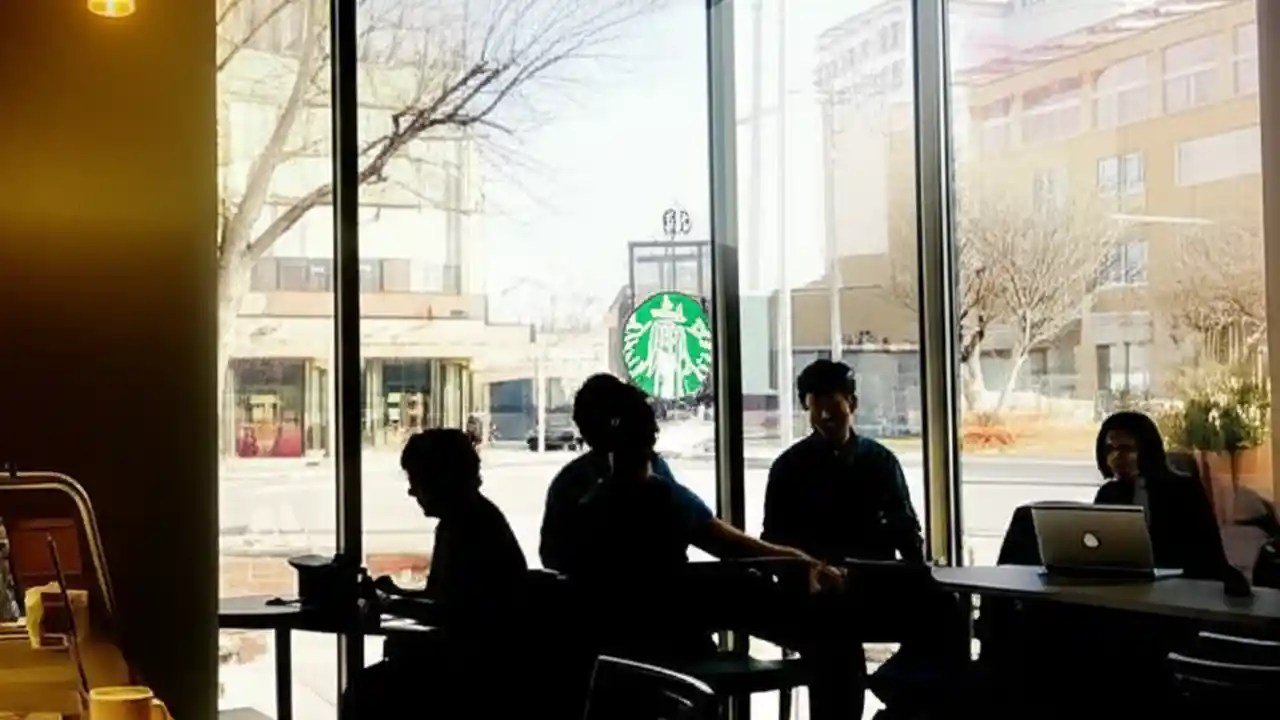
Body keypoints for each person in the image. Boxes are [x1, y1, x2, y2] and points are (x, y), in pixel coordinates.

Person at [548, 380, 862, 720]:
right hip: (663, 630)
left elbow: (555, 562)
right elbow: (728, 544)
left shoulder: (571, 486)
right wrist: (805, 565)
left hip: (613, 639)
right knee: (833, 642)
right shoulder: (653, 489)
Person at [763, 359, 967, 717]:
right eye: (816, 407)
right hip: (816, 594)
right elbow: (773, 542)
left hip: (873, 587)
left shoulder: (881, 462)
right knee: (834, 637)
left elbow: (908, 532)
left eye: (833, 405)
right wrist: (808, 574)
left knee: (947, 610)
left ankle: (909, 695)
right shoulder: (789, 468)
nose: (825, 415)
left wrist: (919, 574)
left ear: (852, 405)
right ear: (807, 410)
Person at [342, 429, 528, 719]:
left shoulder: (466, 529)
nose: (412, 491)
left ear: (439, 479)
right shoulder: (472, 519)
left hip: (474, 674)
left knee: (366, 690)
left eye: (415, 480)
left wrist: (390, 602)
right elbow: (448, 603)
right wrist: (397, 595)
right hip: (485, 667)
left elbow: (451, 614)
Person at [1094, 411, 1245, 585]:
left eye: (1126, 449)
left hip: (1180, 588)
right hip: (1125, 587)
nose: (1116, 457)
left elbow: (1208, 557)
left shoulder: (1182, 491)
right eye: (1110, 449)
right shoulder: (1108, 493)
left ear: (1146, 450)